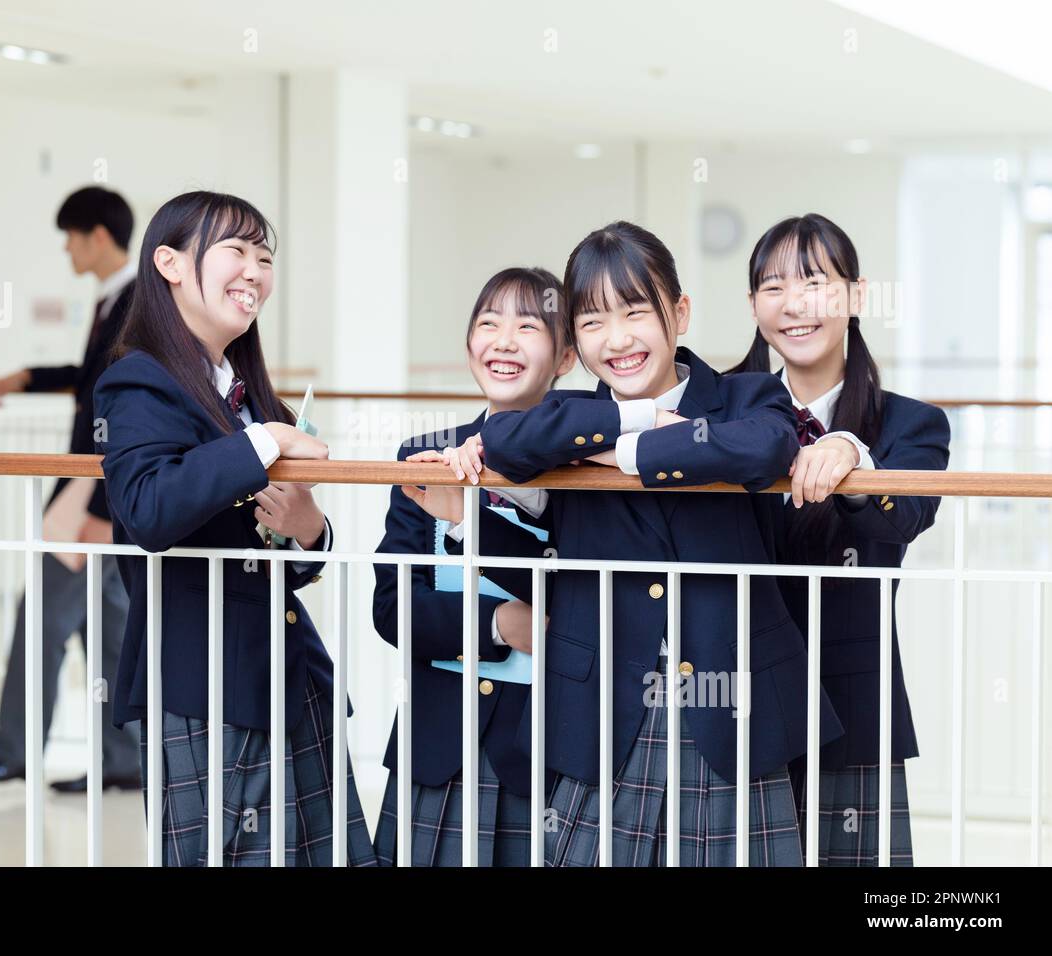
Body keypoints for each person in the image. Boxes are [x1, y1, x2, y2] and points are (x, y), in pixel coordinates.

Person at [457, 220, 844, 865]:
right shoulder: (565, 421)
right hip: (601, 702)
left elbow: (768, 445)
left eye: (636, 312)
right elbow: (504, 442)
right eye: (592, 322)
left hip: (730, 699)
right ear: (573, 340)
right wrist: (633, 418)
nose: (618, 340)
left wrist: (633, 453)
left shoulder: (748, 396)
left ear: (680, 312)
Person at [94, 189, 376, 865]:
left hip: (285, 673)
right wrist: (262, 445)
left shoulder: (251, 395)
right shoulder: (142, 380)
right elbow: (147, 510)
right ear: (169, 263)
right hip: (203, 682)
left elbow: (293, 563)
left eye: (265, 257)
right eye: (237, 251)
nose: (254, 271)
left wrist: (310, 530)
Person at [729, 213, 950, 865]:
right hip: (731, 704)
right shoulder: (721, 413)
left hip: (849, 706)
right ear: (753, 306)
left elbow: (902, 520)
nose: (795, 304)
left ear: (856, 297)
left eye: (816, 282)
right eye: (774, 286)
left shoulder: (909, 424)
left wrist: (851, 454)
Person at [371, 267, 572, 866]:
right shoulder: (425, 456)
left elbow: (583, 599)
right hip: (438, 745)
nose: (503, 340)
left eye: (527, 326)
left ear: (565, 357)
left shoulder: (589, 469)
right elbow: (394, 607)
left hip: (548, 753)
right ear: (469, 347)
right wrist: (500, 623)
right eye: (488, 324)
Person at [0, 186, 141, 791]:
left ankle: (15, 752)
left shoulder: (135, 302)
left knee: (43, 614)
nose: (66, 248)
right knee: (110, 626)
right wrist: (28, 374)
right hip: (97, 490)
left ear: (97, 236)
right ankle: (127, 761)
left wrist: (98, 505)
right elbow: (94, 379)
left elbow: (126, 406)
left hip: (95, 490)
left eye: (70, 236)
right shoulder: (117, 301)